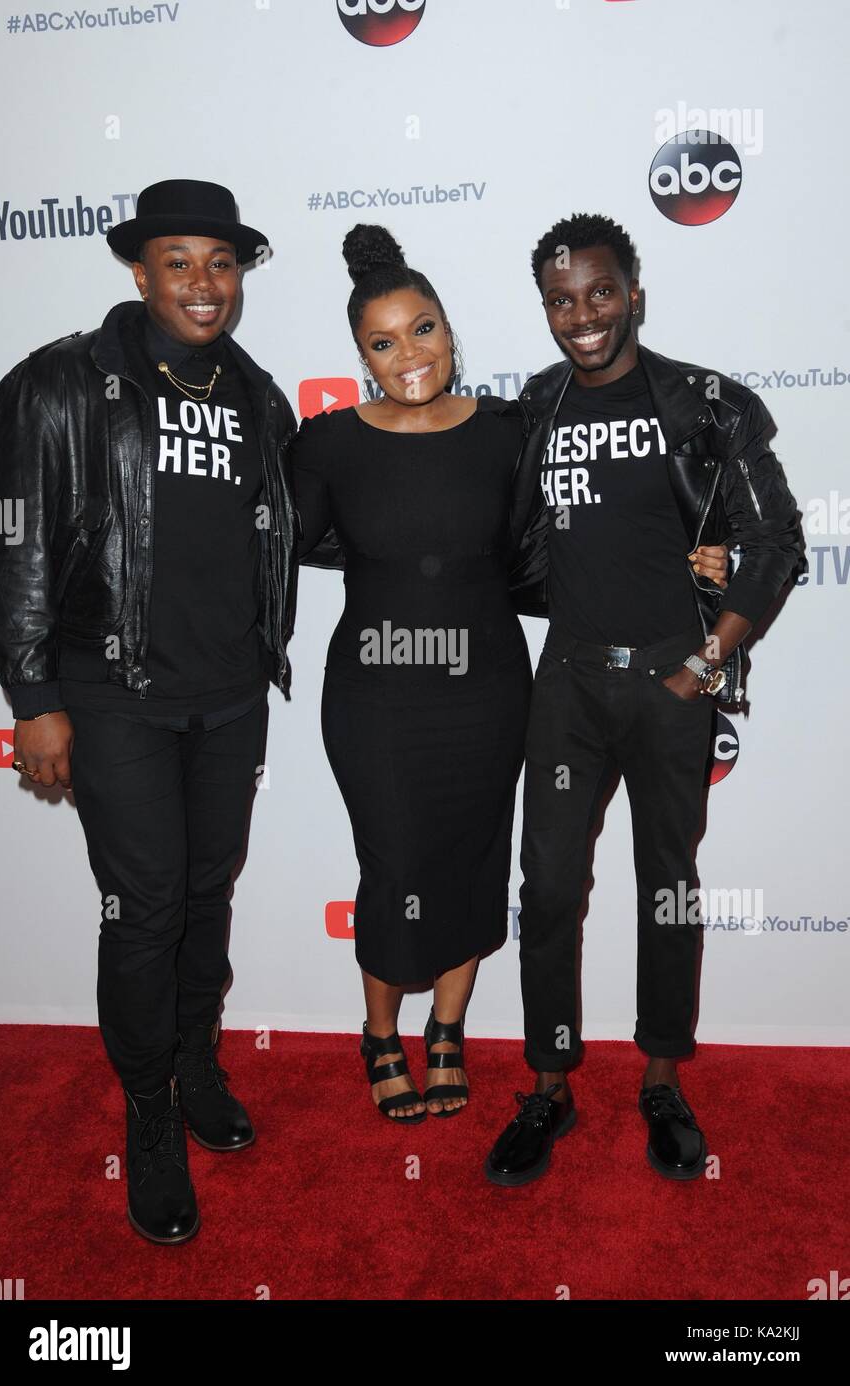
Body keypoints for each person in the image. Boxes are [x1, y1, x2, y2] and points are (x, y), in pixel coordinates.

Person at [292, 223, 728, 1125]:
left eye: (422, 330)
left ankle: (446, 1032)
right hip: (375, 697)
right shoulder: (327, 443)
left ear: (451, 333)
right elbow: (276, 547)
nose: (406, 354)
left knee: (480, 856)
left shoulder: (507, 428)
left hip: (490, 689)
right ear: (359, 356)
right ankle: (381, 1035)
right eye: (381, 341)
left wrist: (695, 564)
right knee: (393, 862)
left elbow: (567, 533)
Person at [0, 179, 297, 1243]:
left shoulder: (259, 398)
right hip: (112, 696)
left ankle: (199, 1065)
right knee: (147, 904)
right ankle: (148, 1109)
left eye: (222, 262)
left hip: (230, 696)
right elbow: (13, 542)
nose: (204, 283)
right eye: (179, 260)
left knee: (209, 893)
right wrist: (32, 700)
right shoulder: (59, 384)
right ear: (137, 268)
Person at [484, 213, 805, 1187]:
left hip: (674, 675)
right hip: (570, 678)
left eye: (597, 293)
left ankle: (660, 1077)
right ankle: (548, 1081)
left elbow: (777, 543)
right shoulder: (534, 409)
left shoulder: (702, 404)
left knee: (666, 881)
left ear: (633, 293)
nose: (580, 315)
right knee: (546, 889)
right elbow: (492, 531)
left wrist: (707, 662)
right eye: (559, 299)